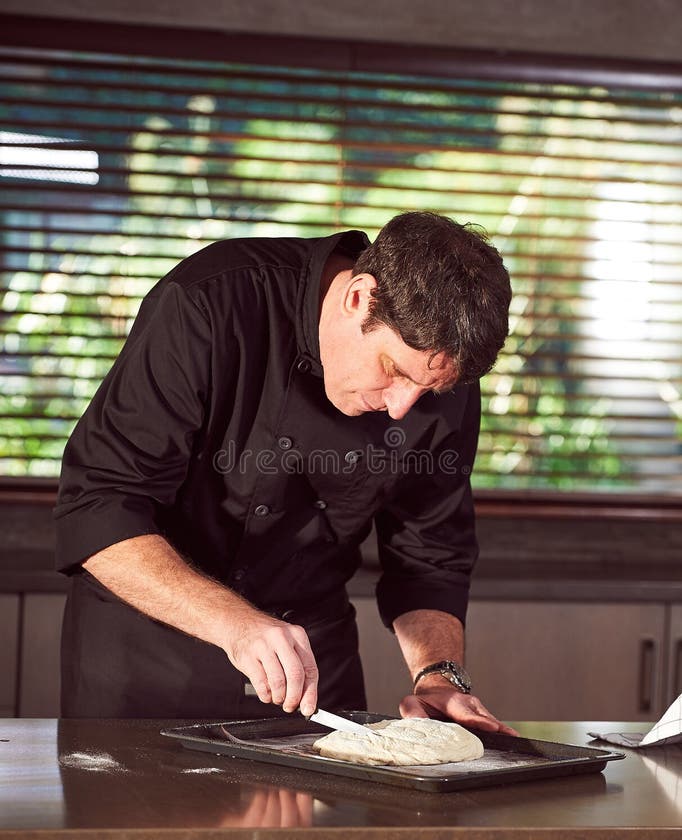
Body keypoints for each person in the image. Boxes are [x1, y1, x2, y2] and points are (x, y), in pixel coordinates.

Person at [54, 210, 516, 735]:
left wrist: (438, 676)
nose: (401, 408)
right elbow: (98, 504)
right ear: (358, 296)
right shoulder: (209, 302)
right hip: (146, 660)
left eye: (426, 391)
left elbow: (430, 557)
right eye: (392, 371)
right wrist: (235, 623)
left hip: (313, 672)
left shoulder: (439, 368)